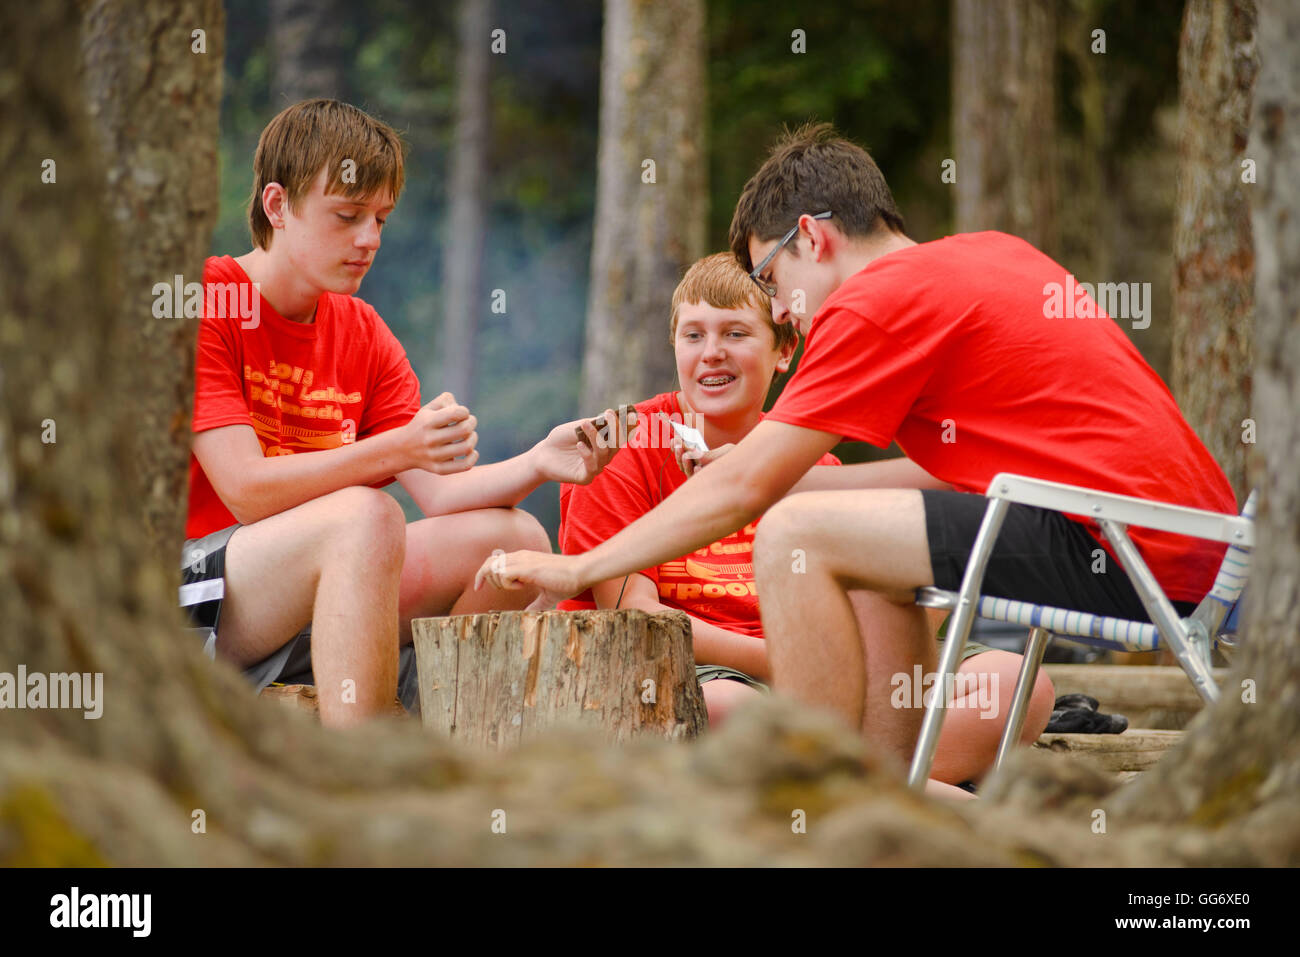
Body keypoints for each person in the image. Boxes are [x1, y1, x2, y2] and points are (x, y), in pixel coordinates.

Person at [477, 123, 1236, 788]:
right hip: (1188, 540)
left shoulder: (877, 300)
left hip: (1129, 548)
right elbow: (945, 471)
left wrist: (582, 568)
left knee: (794, 534)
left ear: (812, 236)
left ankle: (816, 790)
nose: (779, 310)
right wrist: (798, 481)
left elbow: (746, 487)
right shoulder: (988, 254)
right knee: (840, 527)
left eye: (772, 281)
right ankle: (881, 791)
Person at [181, 99, 624, 727]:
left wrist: (540, 461)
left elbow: (441, 496)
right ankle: (365, 764)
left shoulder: (362, 329)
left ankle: (447, 731)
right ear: (277, 206)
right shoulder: (210, 298)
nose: (369, 241)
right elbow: (248, 494)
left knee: (513, 542)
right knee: (366, 515)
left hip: (320, 587)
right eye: (347, 216)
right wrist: (397, 449)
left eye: (381, 220)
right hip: (199, 597)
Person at [558, 253, 1050, 780]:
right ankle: (875, 786)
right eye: (693, 335)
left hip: (826, 671)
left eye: (736, 334)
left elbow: (872, 598)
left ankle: (844, 782)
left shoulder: (815, 462)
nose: (712, 354)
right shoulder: (624, 448)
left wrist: (848, 670)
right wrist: (796, 664)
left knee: (1016, 685)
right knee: (727, 710)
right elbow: (637, 619)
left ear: (784, 351)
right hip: (704, 670)